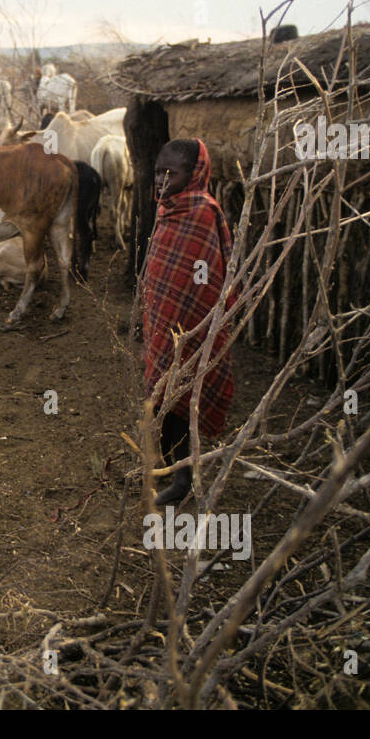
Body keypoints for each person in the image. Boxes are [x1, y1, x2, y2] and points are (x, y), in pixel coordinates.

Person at [141, 138, 236, 506]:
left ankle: (183, 480)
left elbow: (208, 278)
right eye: (157, 173)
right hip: (165, 323)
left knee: (182, 398)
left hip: (192, 327)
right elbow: (163, 271)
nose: (162, 180)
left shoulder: (201, 211)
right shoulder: (169, 208)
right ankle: (172, 471)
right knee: (164, 396)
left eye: (172, 173)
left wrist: (187, 321)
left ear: (195, 174)